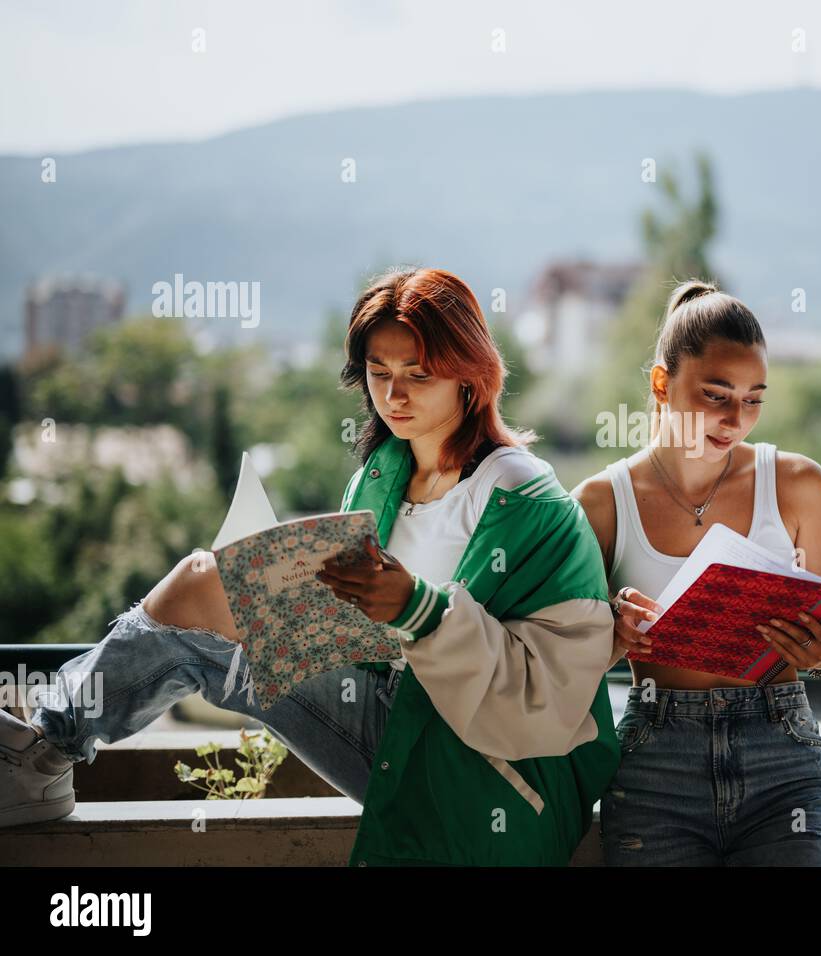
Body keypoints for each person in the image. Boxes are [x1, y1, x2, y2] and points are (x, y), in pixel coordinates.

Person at [0, 267, 619, 866]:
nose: (394, 395)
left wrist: (420, 610)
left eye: (419, 374)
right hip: (385, 715)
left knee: (204, 601)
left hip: (491, 768)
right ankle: (45, 750)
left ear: (470, 377)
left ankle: (38, 753)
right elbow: (359, 637)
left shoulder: (527, 499)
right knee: (196, 591)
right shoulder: (377, 481)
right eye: (379, 373)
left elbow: (556, 692)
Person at [573, 279, 821, 866]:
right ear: (661, 383)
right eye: (716, 394)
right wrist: (609, 635)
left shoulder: (800, 484)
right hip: (656, 769)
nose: (737, 418)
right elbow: (561, 654)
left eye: (754, 398)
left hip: (784, 757)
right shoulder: (600, 503)